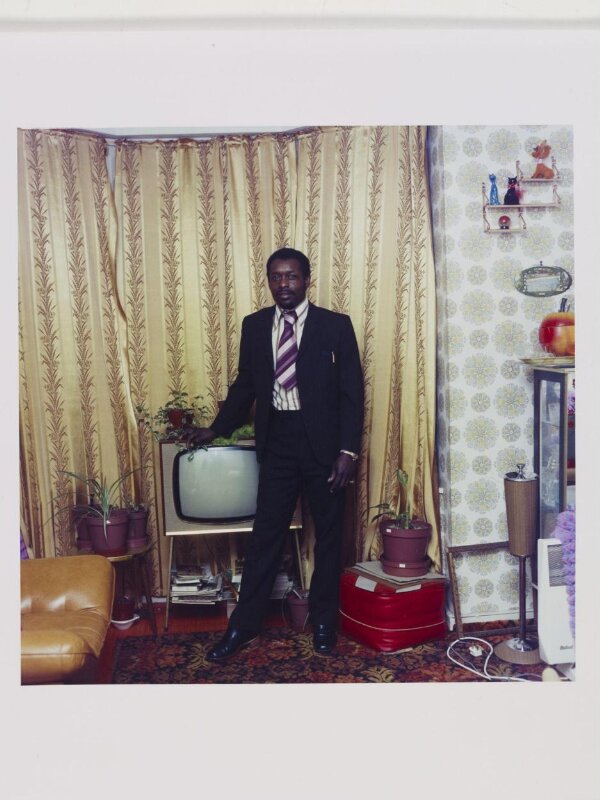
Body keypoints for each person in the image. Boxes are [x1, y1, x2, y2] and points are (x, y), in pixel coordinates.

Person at [186, 247, 364, 660]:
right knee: (266, 537)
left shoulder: (335, 326)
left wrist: (348, 452)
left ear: (307, 280)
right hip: (278, 443)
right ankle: (242, 626)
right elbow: (245, 385)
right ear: (269, 281)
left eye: (291, 277)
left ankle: (323, 624)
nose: (283, 284)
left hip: (325, 447)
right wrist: (217, 427)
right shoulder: (254, 326)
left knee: (329, 539)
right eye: (276, 277)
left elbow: (352, 393)